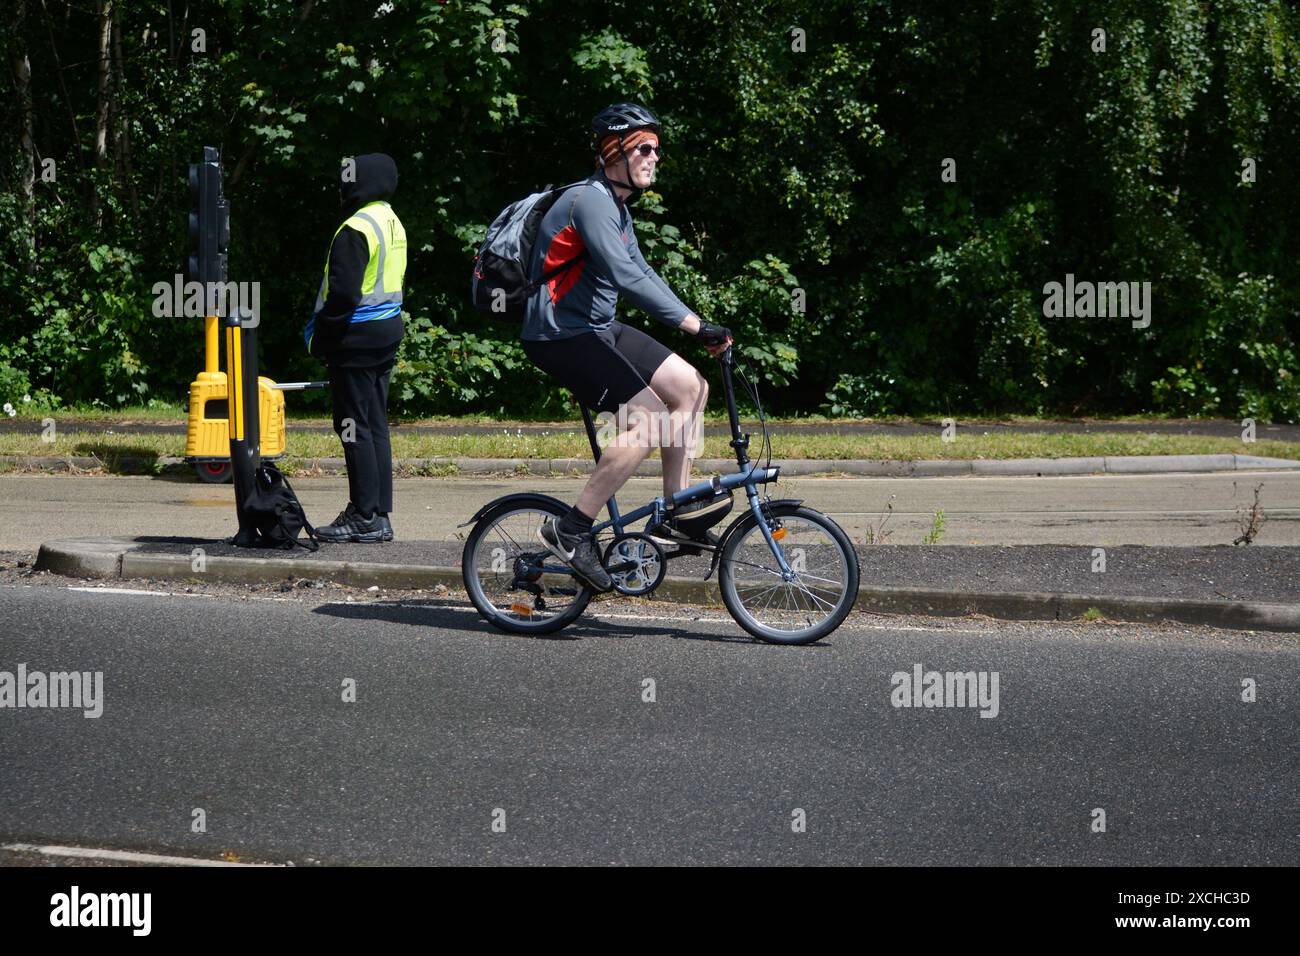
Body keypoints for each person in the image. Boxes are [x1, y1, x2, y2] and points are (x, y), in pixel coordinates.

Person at [522, 103, 733, 591]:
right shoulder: (589, 201)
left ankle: (674, 515)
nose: (654, 156)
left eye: (657, 149)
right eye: (644, 147)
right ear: (613, 151)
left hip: (597, 326)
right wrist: (694, 326)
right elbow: (627, 275)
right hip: (559, 335)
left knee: (690, 387)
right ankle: (571, 530)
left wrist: (702, 324)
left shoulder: (616, 208)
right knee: (649, 418)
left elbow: (646, 272)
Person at [305, 152, 407, 543]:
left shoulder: (355, 227)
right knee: (374, 424)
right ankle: (378, 513)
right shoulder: (391, 220)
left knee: (352, 427)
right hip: (386, 331)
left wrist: (321, 337)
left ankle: (364, 516)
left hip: (356, 337)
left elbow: (344, 295)